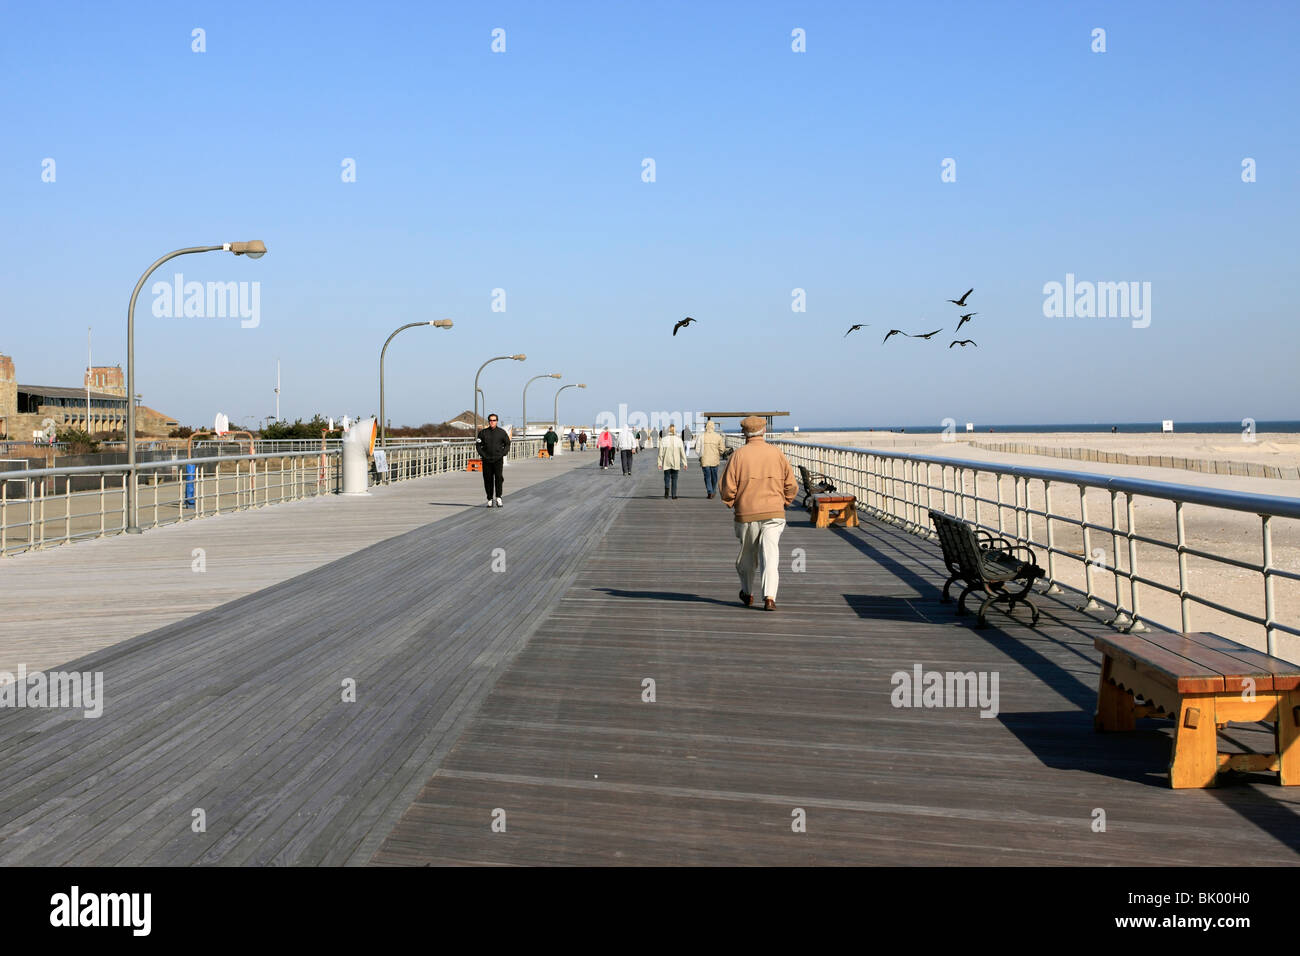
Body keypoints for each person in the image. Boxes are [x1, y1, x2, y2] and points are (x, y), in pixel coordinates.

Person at [719, 415, 797, 611]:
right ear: (763, 431)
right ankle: (770, 597)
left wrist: (731, 502)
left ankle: (747, 592)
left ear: (744, 433)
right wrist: (785, 501)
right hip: (774, 513)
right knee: (770, 555)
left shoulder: (738, 455)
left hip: (747, 513)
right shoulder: (776, 453)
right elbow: (791, 484)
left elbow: (727, 487)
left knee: (747, 556)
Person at [475, 413, 511, 508]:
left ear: (497, 421)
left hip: (498, 460)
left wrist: (503, 453)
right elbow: (478, 445)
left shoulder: (502, 432)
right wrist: (483, 455)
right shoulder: (483, 433)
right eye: (490, 420)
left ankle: (499, 497)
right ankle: (489, 499)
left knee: (499, 478)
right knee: (488, 480)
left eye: (494, 420)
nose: (492, 422)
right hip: (486, 460)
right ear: (488, 421)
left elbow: (507, 444)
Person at [694, 420, 726, 499]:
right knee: (714, 477)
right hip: (715, 460)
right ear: (713, 426)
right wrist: (720, 453)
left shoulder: (701, 436)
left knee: (707, 477)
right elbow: (722, 449)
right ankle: (713, 490)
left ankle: (709, 491)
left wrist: (700, 455)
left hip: (705, 459)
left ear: (706, 427)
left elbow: (697, 449)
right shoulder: (718, 436)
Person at [657, 424, 687, 499]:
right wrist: (685, 463)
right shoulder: (679, 440)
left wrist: (659, 463)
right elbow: (682, 453)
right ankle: (674, 495)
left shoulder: (663, 440)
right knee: (674, 478)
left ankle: (667, 490)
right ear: (675, 431)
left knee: (666, 477)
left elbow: (660, 453)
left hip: (666, 462)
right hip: (676, 462)